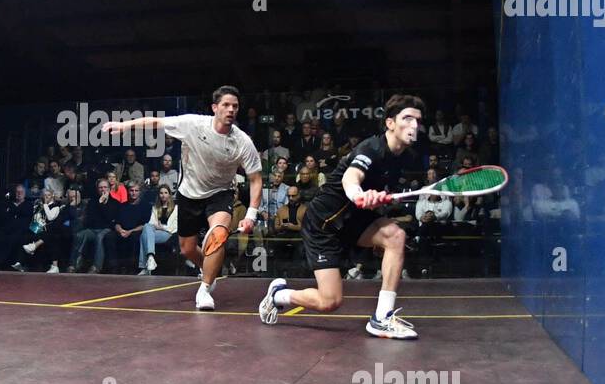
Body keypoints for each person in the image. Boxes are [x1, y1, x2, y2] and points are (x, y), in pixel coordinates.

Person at [258, 94, 425, 339]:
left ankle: (382, 318)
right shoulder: (371, 148)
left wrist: (375, 202)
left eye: (418, 121)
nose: (414, 125)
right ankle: (278, 295)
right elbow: (352, 177)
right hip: (322, 224)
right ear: (390, 123)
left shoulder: (403, 157)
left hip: (353, 221)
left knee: (395, 236)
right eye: (407, 118)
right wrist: (358, 194)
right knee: (330, 301)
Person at [101, 85, 262, 310]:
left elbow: (255, 179)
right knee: (187, 248)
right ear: (214, 108)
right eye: (225, 105)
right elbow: (156, 123)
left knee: (218, 235)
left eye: (235, 106)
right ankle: (211, 271)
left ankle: (205, 289)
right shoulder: (192, 124)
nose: (231, 110)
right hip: (189, 194)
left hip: (220, 194)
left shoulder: (243, 141)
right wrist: (123, 126)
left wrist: (251, 215)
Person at [71, 178, 118, 273]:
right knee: (80, 235)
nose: (103, 189)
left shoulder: (115, 203)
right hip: (93, 229)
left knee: (99, 237)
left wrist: (103, 204)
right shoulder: (92, 202)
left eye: (105, 187)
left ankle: (96, 267)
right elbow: (91, 219)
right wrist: (99, 203)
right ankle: (73, 264)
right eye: (100, 187)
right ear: (97, 189)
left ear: (109, 189)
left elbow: (110, 220)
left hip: (107, 229)